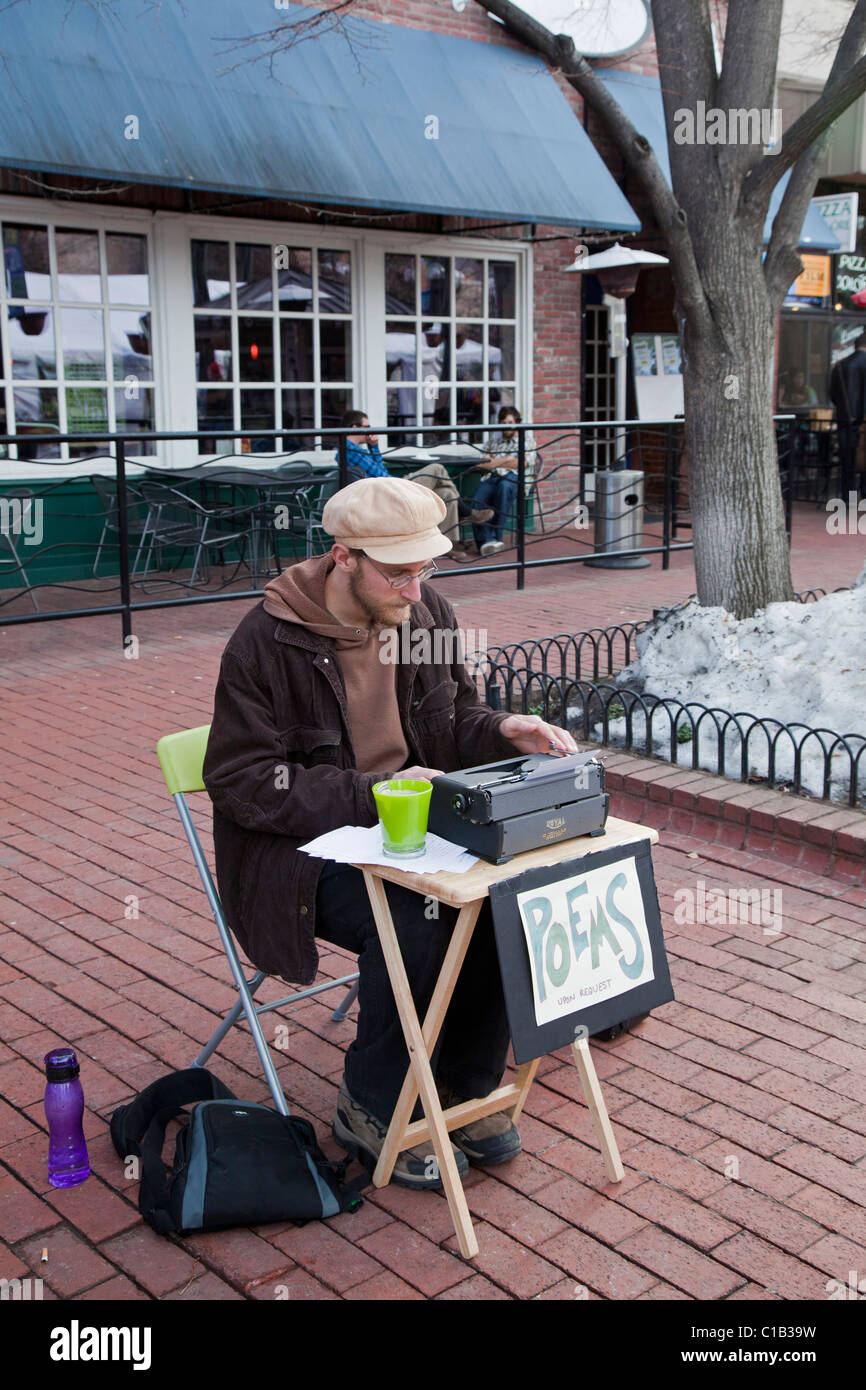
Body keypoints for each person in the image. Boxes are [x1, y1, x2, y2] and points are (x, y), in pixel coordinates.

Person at [202, 476, 579, 1189]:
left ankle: (466, 1089)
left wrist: (503, 727)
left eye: (425, 569)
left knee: (503, 894)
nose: (416, 590)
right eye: (399, 573)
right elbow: (243, 782)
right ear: (344, 556)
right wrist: (378, 794)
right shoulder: (266, 640)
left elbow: (456, 719)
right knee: (418, 914)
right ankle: (372, 1105)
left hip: (411, 824)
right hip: (303, 852)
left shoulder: (424, 608)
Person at [337, 409, 492, 554]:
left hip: (389, 486)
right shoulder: (350, 450)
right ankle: (466, 512)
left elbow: (378, 470)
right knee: (437, 468)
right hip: (392, 489)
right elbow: (381, 473)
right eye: (367, 426)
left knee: (447, 493)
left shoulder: (353, 449)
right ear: (355, 427)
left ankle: (448, 543)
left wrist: (374, 447)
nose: (370, 430)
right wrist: (374, 449)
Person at [469, 406, 538, 558]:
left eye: (510, 422)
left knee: (505, 488)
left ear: (517, 422)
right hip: (491, 478)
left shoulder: (527, 441)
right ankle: (485, 543)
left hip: (514, 479)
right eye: (503, 422)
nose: (507, 426)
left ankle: (496, 538)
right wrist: (506, 459)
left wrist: (495, 462)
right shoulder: (493, 442)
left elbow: (521, 464)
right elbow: (482, 464)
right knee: (476, 501)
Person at [829, 333, 866, 497]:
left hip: (845, 421)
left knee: (847, 464)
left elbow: (832, 394)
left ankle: (848, 498)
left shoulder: (839, 366)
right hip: (863, 423)